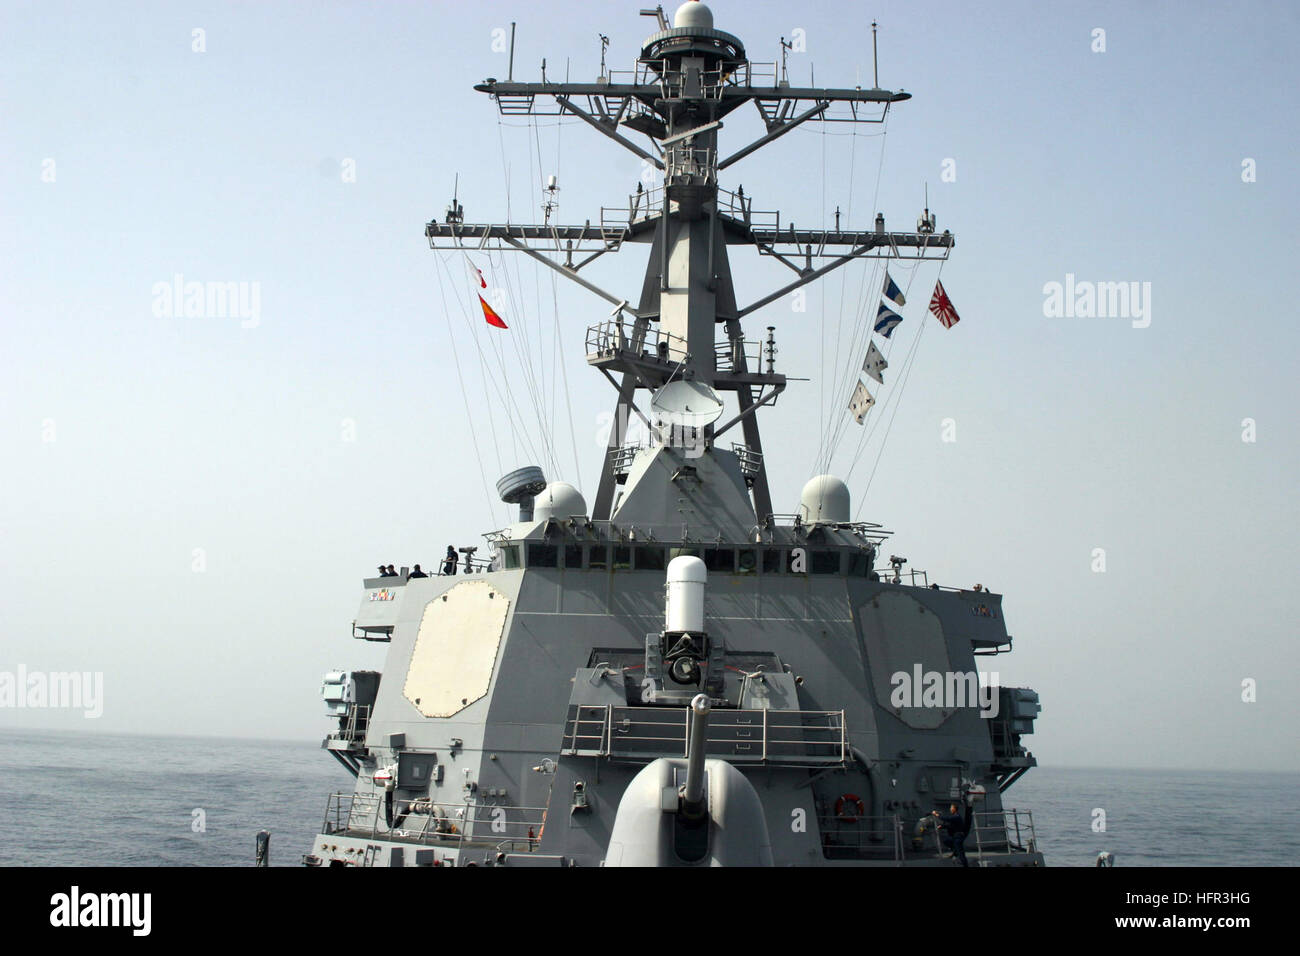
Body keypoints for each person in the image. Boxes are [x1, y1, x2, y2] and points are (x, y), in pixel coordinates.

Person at [933, 801, 973, 867]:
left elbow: (947, 819)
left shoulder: (957, 817)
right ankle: (955, 851)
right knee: (946, 841)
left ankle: (965, 865)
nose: (950, 809)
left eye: (951, 807)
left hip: (958, 837)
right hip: (955, 837)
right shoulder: (955, 817)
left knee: (961, 854)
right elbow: (951, 825)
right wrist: (942, 826)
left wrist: (937, 815)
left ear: (954, 808)